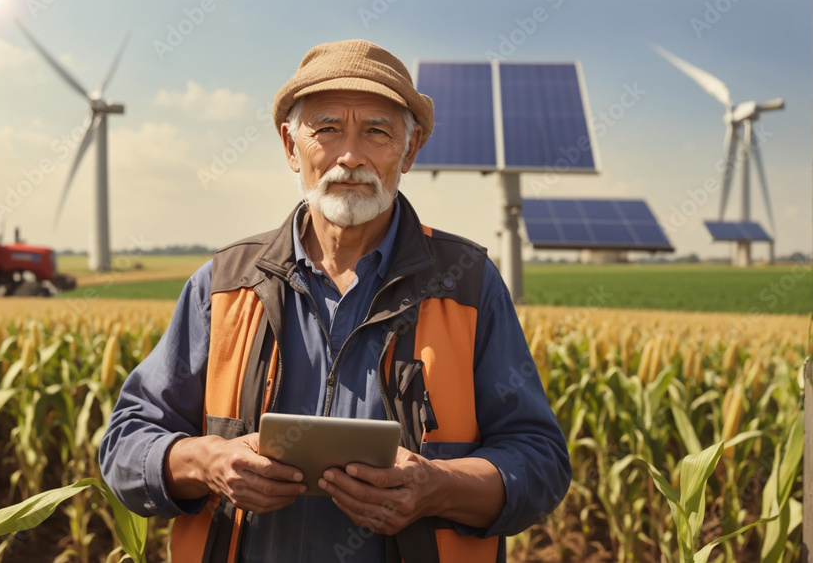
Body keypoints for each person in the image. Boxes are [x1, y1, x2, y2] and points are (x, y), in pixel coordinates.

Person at [99, 39, 571, 563]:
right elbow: (125, 445)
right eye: (326, 129)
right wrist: (207, 461)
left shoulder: (468, 284)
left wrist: (436, 485)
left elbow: (540, 462)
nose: (350, 156)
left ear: (409, 152)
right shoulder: (223, 285)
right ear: (289, 145)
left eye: (377, 131)